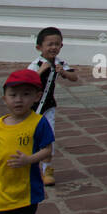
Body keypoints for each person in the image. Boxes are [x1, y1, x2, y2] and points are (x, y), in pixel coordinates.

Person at [0, 69, 54, 214]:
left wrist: (28, 160)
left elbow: (47, 150)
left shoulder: (38, 122)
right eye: (13, 95)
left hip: (26, 189)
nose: (18, 99)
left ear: (37, 97)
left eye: (25, 94)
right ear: (4, 98)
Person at [26, 27, 78, 186]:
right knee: (30, 136)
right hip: (31, 107)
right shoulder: (36, 64)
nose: (53, 47)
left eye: (57, 44)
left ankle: (47, 169)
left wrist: (64, 73)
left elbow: (74, 77)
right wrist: (41, 70)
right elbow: (27, 81)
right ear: (39, 47)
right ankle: (29, 166)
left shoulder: (60, 63)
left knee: (48, 136)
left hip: (48, 106)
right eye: (49, 44)